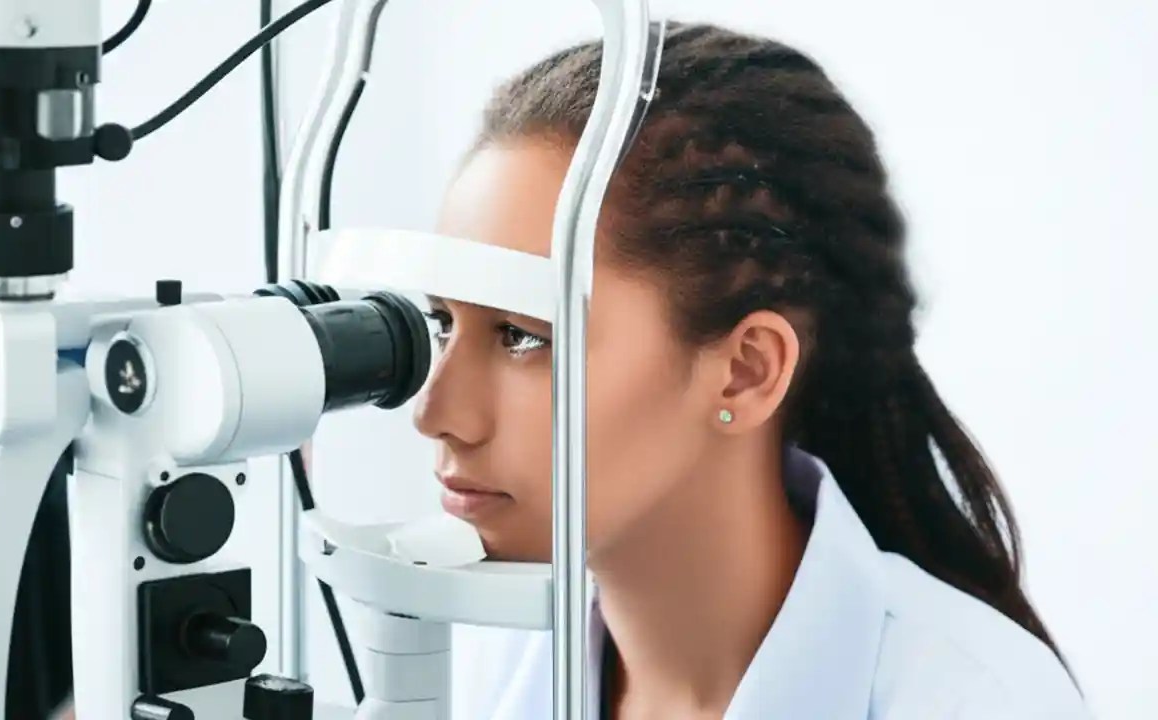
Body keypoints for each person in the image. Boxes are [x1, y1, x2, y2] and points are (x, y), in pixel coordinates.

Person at [414, 22, 1090, 719]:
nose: (436, 413)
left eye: (523, 336)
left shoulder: (976, 700)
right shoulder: (484, 660)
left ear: (745, 371)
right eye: (442, 322)